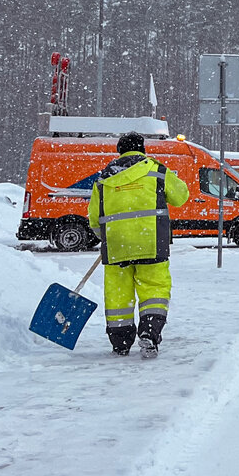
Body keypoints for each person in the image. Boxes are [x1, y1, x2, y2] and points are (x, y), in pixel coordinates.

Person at [87, 132, 189, 358]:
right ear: (142, 149)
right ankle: (149, 333)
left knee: (117, 296)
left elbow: (94, 219)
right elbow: (182, 196)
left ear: (119, 151)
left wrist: (109, 237)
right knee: (153, 289)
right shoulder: (157, 171)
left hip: (116, 248)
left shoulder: (103, 179)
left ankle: (120, 343)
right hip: (151, 244)